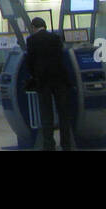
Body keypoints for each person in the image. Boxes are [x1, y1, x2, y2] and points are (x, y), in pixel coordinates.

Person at [26, 17, 73, 151]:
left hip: (43, 81)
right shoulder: (55, 38)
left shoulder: (31, 40)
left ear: (34, 27)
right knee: (63, 112)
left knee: (46, 114)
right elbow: (61, 57)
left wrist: (34, 76)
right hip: (60, 80)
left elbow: (30, 61)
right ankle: (66, 143)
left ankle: (49, 145)